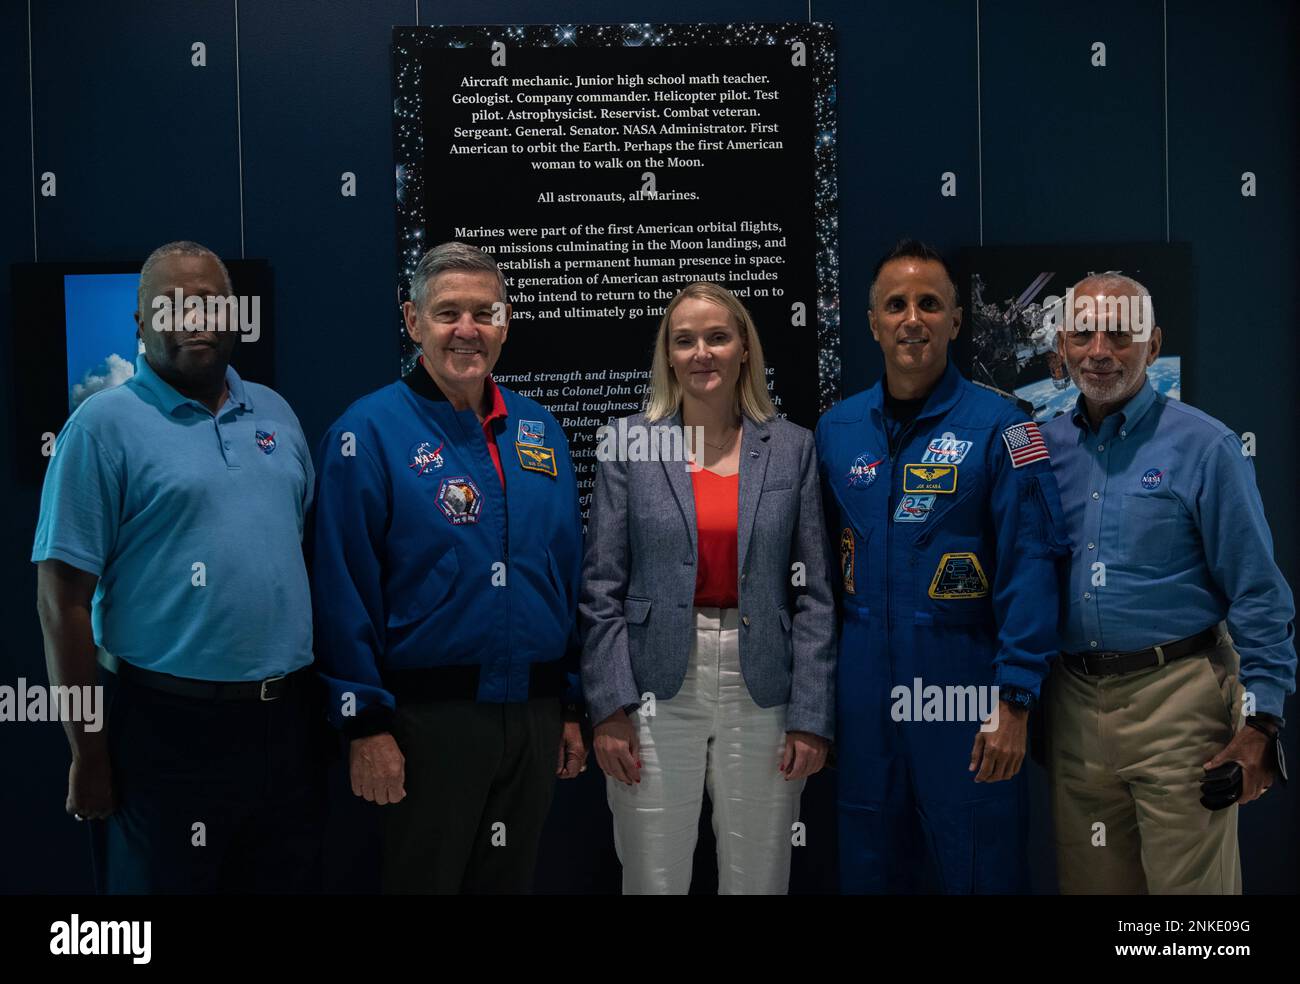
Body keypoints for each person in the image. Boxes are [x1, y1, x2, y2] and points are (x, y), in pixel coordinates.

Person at [33, 240, 324, 892]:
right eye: (171, 304)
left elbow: (293, 552)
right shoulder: (100, 427)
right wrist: (88, 752)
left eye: (210, 303)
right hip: (163, 730)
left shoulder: (277, 413)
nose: (193, 317)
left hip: (284, 726)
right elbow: (61, 601)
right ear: (141, 322)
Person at [311, 241, 586, 894]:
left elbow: (567, 574)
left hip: (532, 716)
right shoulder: (367, 433)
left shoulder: (539, 431)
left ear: (506, 320)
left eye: (484, 312)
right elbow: (340, 587)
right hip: (424, 726)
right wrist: (365, 723)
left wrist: (570, 702)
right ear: (413, 322)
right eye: (447, 313)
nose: (467, 330)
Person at [816, 239, 1070, 894]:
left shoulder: (1005, 427)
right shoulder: (837, 431)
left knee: (981, 869)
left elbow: (1033, 563)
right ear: (872, 321)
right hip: (865, 703)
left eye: (930, 303)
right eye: (895, 304)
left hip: (965, 699)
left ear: (956, 320)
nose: (912, 319)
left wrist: (1015, 699)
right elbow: (813, 579)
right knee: (870, 870)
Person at [1041, 273, 1296, 894]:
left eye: (1121, 334)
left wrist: (1262, 726)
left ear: (1152, 346)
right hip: (1074, 709)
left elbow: (1259, 592)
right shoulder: (1040, 448)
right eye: (1083, 333)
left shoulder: (1207, 447)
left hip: (1180, 703)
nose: (1100, 350)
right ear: (1062, 348)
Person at [580, 282, 835, 895]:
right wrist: (608, 705)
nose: (702, 353)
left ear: (744, 348)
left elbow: (816, 596)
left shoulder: (792, 447)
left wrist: (810, 714)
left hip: (763, 684)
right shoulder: (629, 444)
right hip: (653, 684)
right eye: (685, 340)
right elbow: (601, 587)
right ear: (667, 355)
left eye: (718, 337)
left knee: (759, 877)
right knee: (653, 877)